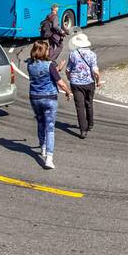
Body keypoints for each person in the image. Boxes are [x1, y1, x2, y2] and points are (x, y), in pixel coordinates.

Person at [25, 40, 70, 169]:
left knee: (40, 122)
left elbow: (42, 72)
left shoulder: (30, 64)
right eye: (47, 49)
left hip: (35, 97)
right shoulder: (49, 65)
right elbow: (60, 82)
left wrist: (58, 69)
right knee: (50, 128)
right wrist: (67, 91)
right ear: (44, 51)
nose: (49, 50)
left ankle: (43, 147)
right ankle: (49, 158)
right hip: (49, 97)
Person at [65, 33, 100, 139]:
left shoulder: (73, 54)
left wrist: (69, 78)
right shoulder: (92, 55)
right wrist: (98, 81)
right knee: (89, 103)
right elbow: (95, 71)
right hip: (89, 82)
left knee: (79, 107)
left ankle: (83, 130)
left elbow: (68, 69)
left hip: (76, 83)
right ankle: (90, 124)